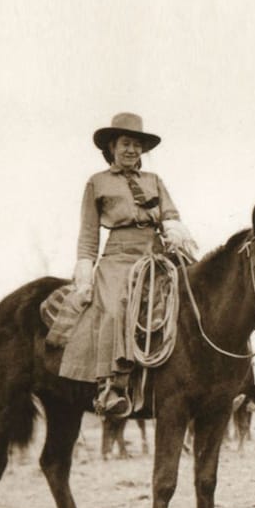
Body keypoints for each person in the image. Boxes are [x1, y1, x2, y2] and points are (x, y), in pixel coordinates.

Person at [58, 112, 199, 417]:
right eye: (125, 143)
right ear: (112, 147)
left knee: (199, 294)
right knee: (114, 306)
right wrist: (85, 269)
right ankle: (112, 385)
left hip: (157, 251)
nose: (131, 150)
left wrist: (175, 229)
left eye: (136, 144)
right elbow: (88, 233)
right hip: (119, 255)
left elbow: (171, 214)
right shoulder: (97, 183)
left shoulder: (154, 181)